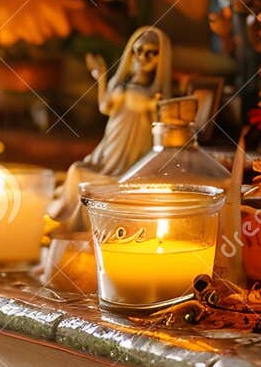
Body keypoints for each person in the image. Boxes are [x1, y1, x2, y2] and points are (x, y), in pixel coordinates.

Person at [47, 26, 173, 228]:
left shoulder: (155, 93)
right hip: (113, 141)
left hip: (133, 150)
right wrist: (102, 78)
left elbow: (163, 122)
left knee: (97, 178)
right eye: (138, 51)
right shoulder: (123, 83)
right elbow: (105, 106)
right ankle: (64, 216)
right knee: (76, 170)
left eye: (152, 52)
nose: (143, 57)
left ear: (162, 57)